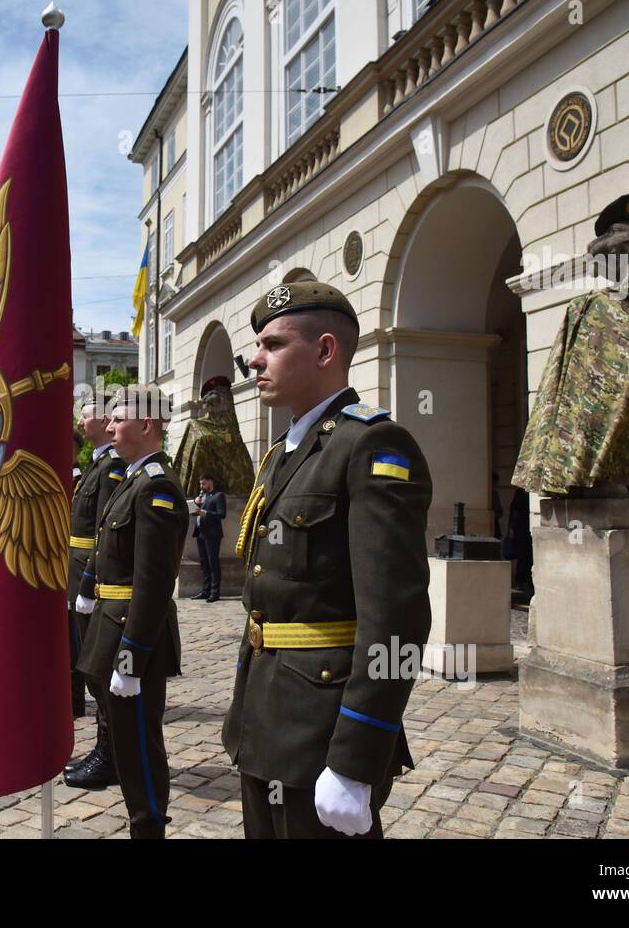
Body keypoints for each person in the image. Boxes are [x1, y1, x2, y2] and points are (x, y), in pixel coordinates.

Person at [222, 280, 432, 839]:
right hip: (263, 714)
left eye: (272, 344)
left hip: (322, 727)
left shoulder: (371, 445)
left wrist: (357, 759)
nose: (254, 358)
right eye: (256, 345)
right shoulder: (284, 451)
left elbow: (398, 619)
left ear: (324, 351)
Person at [74, 386, 188, 839]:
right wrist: (86, 588)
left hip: (131, 635)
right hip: (109, 624)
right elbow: (106, 546)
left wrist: (133, 656)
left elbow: (154, 582)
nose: (110, 425)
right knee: (122, 738)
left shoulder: (157, 486)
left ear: (145, 425)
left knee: (140, 744)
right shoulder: (132, 479)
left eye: (119, 418)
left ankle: (149, 826)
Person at [63, 400, 128, 785]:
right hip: (78, 575)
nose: (81, 421)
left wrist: (88, 583)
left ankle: (111, 755)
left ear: (104, 420)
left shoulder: (112, 468)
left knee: (98, 671)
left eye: (86, 414)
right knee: (90, 669)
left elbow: (104, 533)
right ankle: (105, 749)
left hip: (92, 580)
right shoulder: (98, 464)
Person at [190, 473, 227, 602]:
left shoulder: (218, 496)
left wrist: (205, 513)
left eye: (204, 483)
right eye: (200, 484)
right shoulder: (202, 497)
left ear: (210, 482)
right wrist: (195, 505)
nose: (202, 486)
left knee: (213, 563)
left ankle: (214, 592)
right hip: (200, 533)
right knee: (204, 563)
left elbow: (222, 514)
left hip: (212, 534)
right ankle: (206, 591)